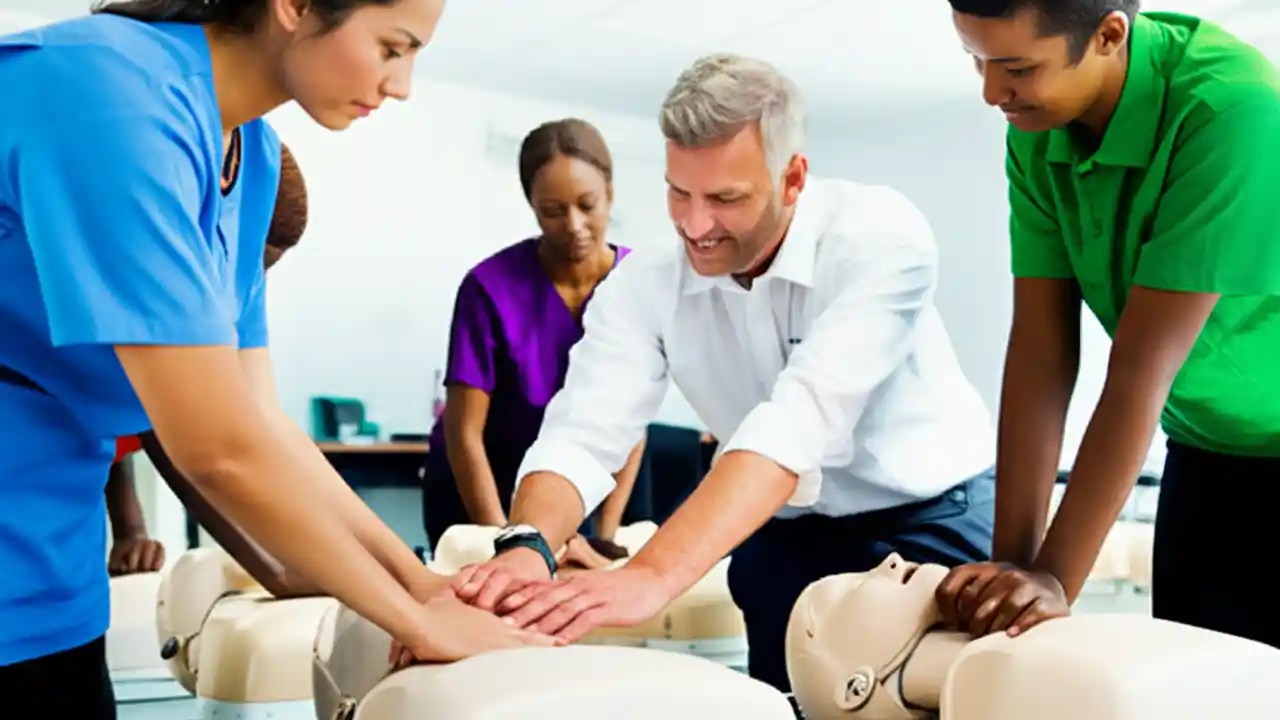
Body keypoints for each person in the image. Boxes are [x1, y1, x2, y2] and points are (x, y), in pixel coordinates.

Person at [0, 2, 552, 716]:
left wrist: (426, 588)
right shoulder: (111, 97)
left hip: (52, 565)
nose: (403, 84)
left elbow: (259, 424)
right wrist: (414, 622)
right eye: (392, 46)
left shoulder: (250, 158)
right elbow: (215, 450)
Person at [449, 53, 999, 695]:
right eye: (678, 192)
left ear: (793, 178)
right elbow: (581, 432)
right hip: (788, 537)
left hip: (931, 519)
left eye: (725, 199)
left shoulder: (878, 236)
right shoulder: (643, 284)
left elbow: (795, 428)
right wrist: (527, 546)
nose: (695, 224)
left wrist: (650, 576)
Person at [935, 0, 1280, 650]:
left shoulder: (1234, 109)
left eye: (1014, 66)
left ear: (1107, 36)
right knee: (1197, 688)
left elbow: (1140, 370)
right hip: (1206, 449)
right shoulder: (1037, 125)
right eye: (977, 60)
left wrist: (1054, 580)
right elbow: (1041, 349)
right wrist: (1009, 572)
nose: (990, 91)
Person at [422, 118, 644, 560]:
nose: (574, 225)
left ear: (611, 194)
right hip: (480, 488)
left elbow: (631, 421)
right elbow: (464, 433)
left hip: (573, 485)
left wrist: (606, 533)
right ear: (532, 205)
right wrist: (506, 543)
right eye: (553, 210)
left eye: (587, 205)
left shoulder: (638, 283)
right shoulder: (489, 287)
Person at [106, 140, 310, 578]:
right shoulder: (138, 262)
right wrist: (275, 567)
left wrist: (130, 529)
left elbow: (262, 423)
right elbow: (193, 445)